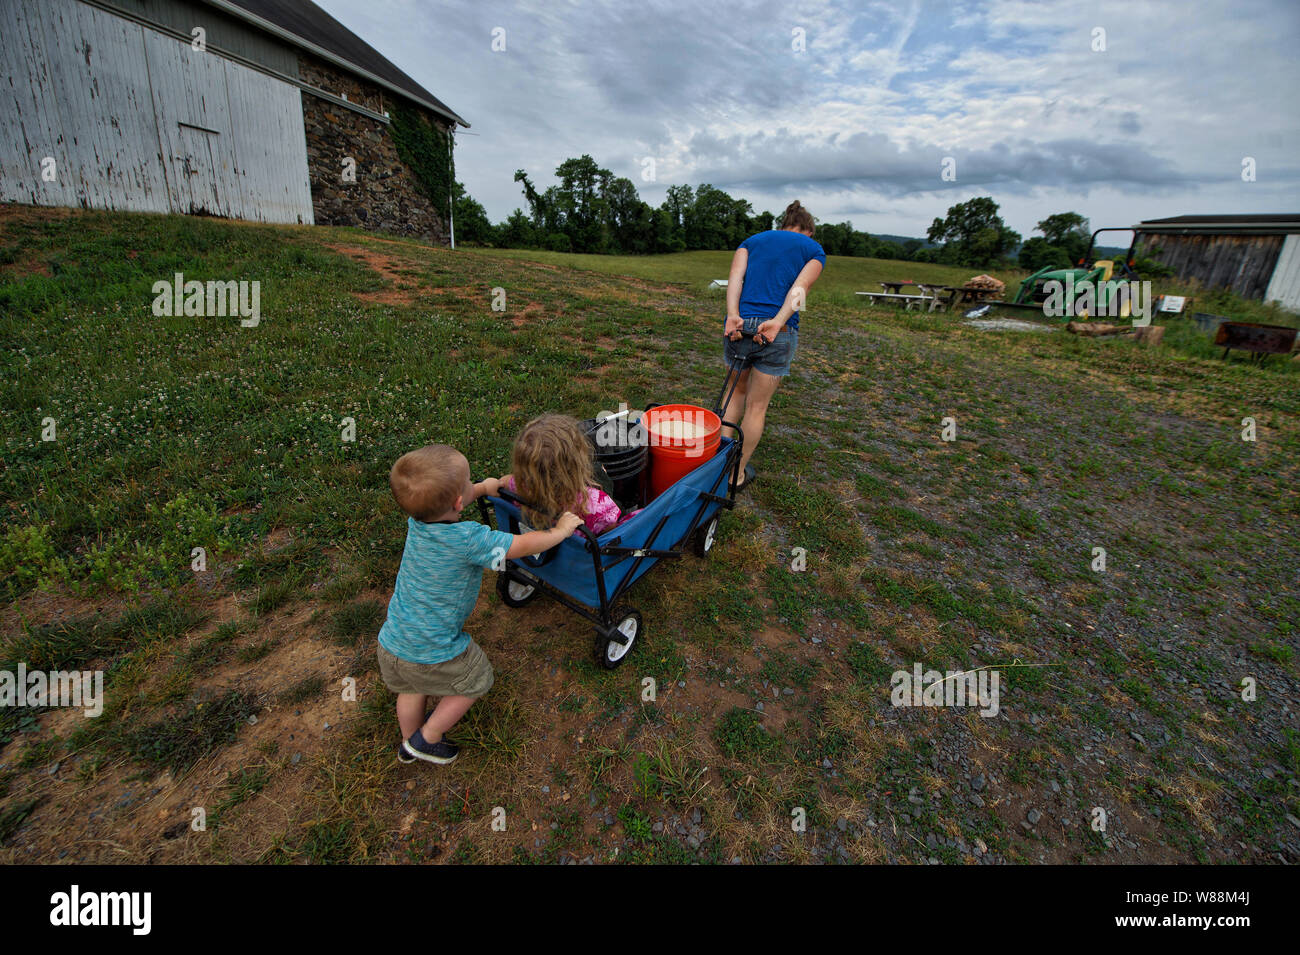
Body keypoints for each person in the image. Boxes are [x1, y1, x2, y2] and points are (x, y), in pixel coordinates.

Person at [378, 443, 581, 765]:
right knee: (475, 682)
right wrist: (560, 531)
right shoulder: (469, 540)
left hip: (394, 640)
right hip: (434, 648)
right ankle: (427, 738)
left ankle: (408, 741)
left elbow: (456, 498)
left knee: (412, 688)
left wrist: (485, 488)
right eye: (469, 485)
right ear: (459, 502)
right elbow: (522, 545)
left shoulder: (417, 522)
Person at [721, 200, 826, 491]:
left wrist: (733, 315)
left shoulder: (751, 242)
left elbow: (735, 279)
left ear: (784, 224)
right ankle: (735, 475)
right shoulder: (813, 250)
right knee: (756, 407)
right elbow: (799, 290)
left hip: (738, 326)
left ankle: (715, 468)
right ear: (807, 230)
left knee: (733, 396)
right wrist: (778, 321)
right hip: (777, 332)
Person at [496, 413, 638, 535]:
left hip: (538, 556)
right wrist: (603, 478)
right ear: (578, 465)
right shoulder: (596, 504)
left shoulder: (516, 486)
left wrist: (483, 488)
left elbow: (502, 481)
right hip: (580, 560)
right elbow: (609, 533)